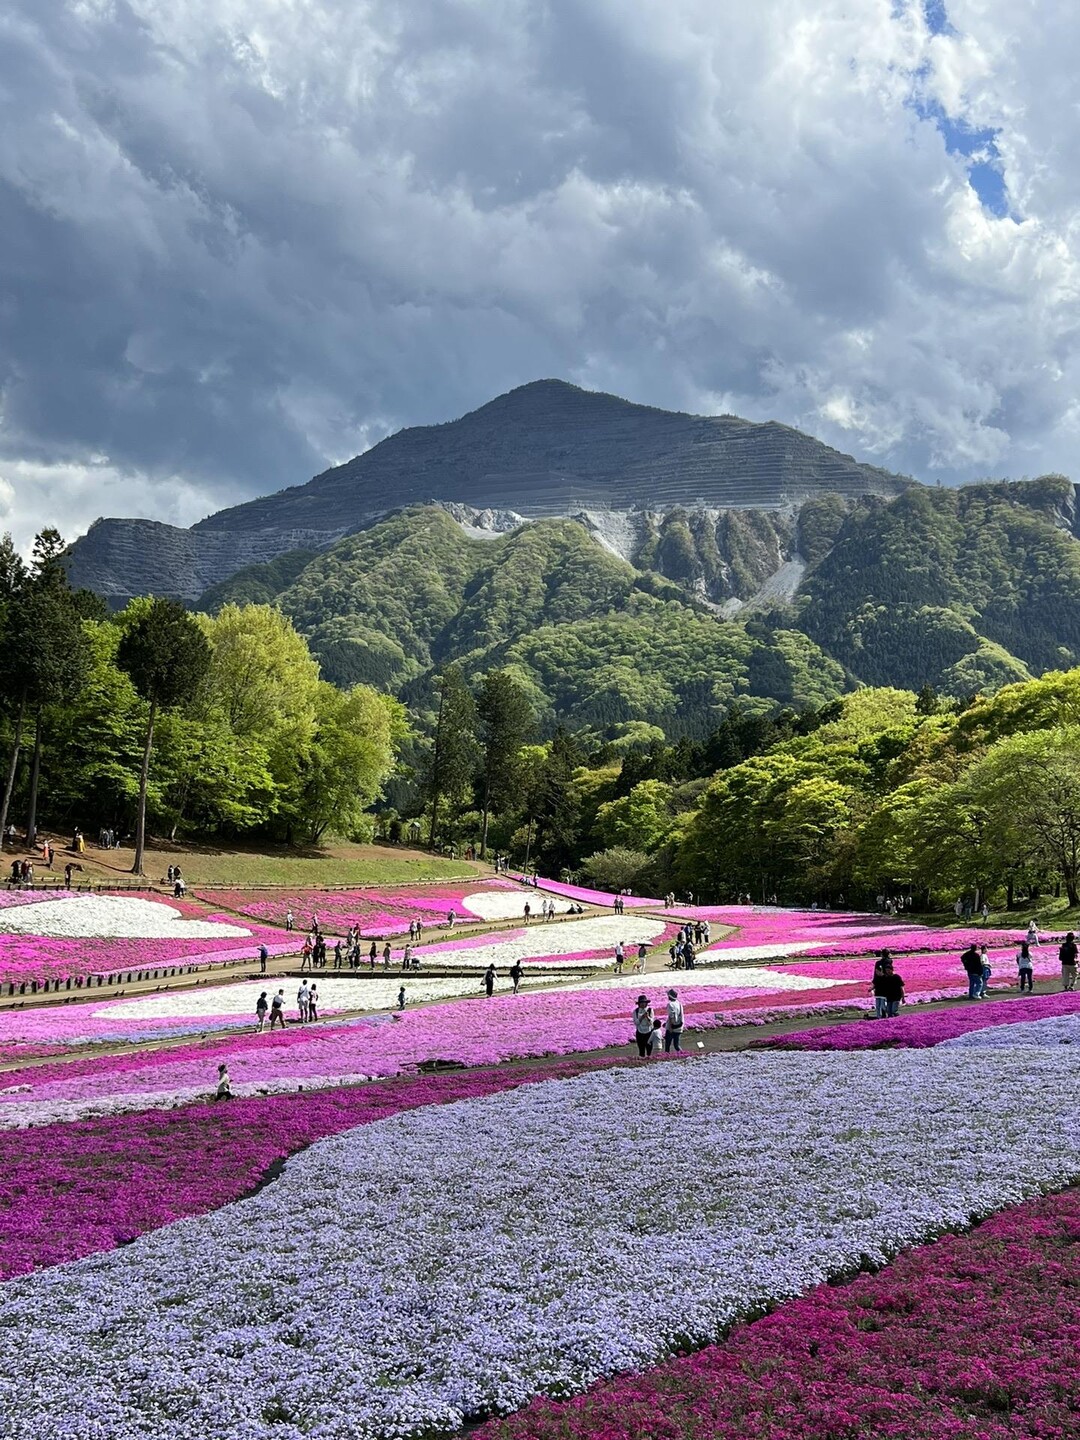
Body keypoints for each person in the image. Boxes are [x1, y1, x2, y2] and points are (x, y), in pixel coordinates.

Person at [870, 953, 891, 1019]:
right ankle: (879, 1015)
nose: (876, 972)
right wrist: (871, 988)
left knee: (882, 1004)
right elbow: (874, 983)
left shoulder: (884, 977)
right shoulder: (877, 978)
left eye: (878, 971)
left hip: (882, 992)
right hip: (878, 992)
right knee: (878, 1005)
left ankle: (886, 1014)